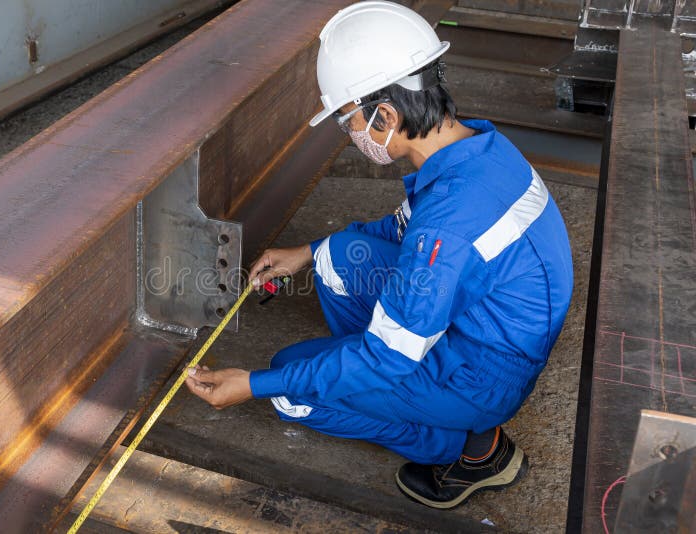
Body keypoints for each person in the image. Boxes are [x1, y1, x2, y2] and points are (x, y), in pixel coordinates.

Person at [185, 0, 573, 509]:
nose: (350, 136)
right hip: (485, 327)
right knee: (339, 256)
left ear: (385, 114)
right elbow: (403, 229)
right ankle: (390, 385)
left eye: (349, 121)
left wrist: (253, 384)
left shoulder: (452, 221)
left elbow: (396, 332)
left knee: (290, 386)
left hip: (484, 377)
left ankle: (476, 451)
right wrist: (308, 251)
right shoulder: (473, 149)